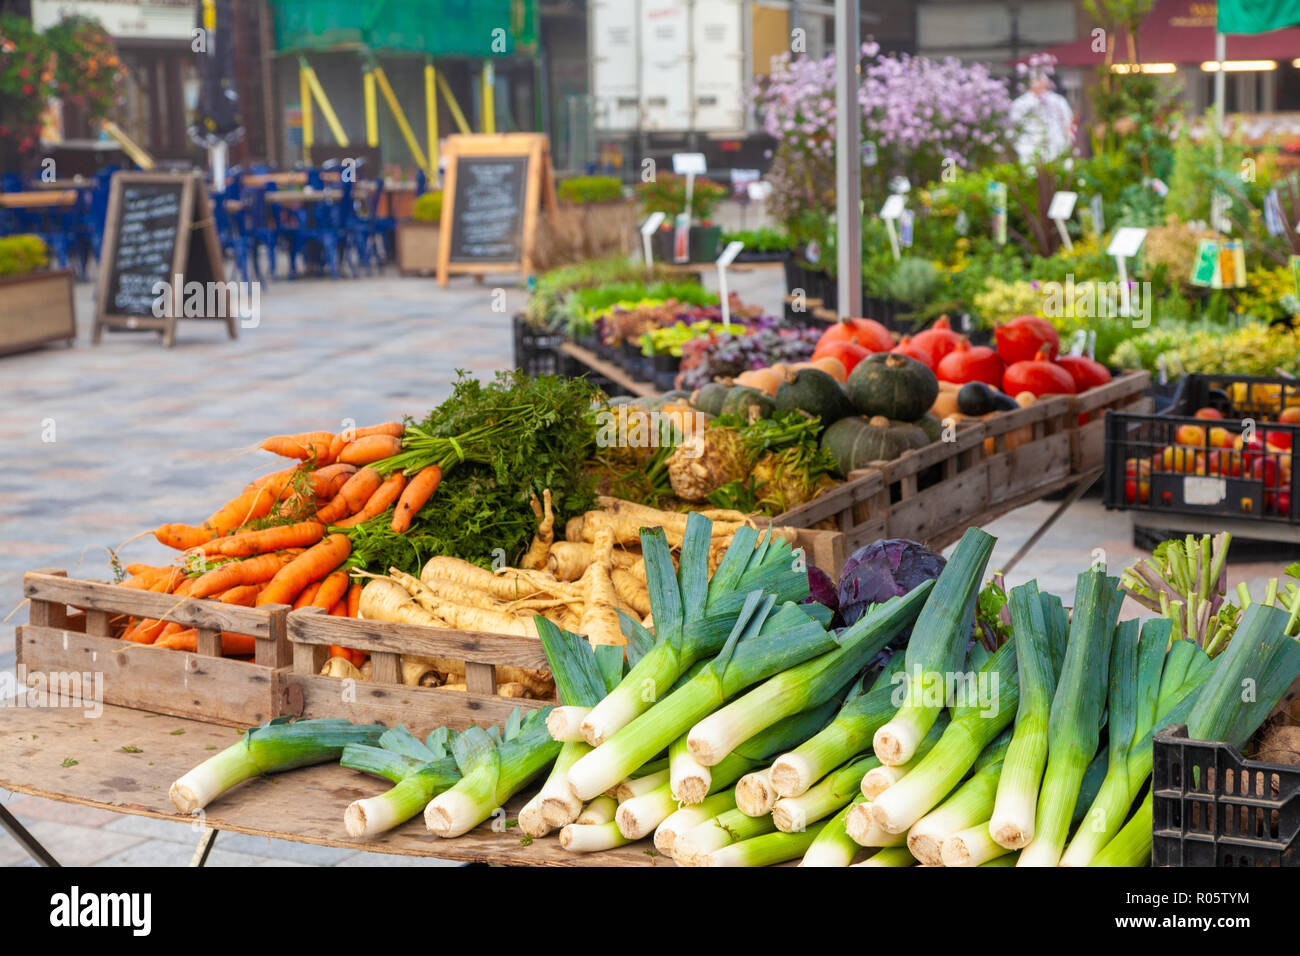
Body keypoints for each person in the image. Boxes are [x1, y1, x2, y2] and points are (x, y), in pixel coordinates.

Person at [1011, 55, 1074, 164]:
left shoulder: (1058, 101)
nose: (1039, 84)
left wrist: (1065, 143)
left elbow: (1067, 123)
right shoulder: (1021, 103)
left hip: (1055, 147)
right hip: (1028, 148)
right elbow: (1013, 125)